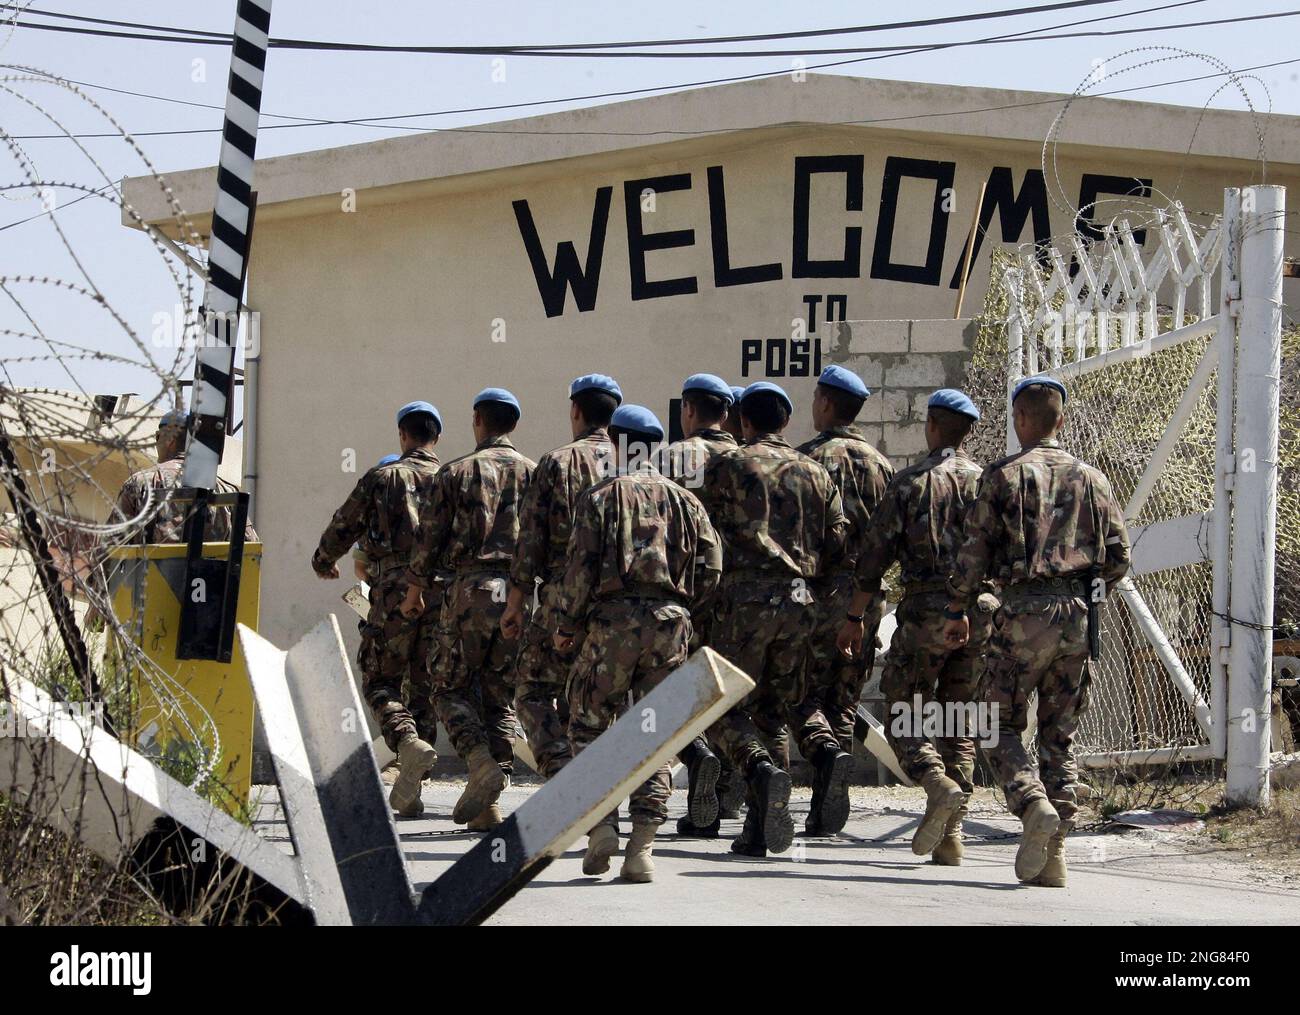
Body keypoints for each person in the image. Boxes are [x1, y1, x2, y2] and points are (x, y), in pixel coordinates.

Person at [942, 376, 1131, 887]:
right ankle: (1055, 858)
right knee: (1059, 737)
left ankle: (1031, 804)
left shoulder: (1003, 477)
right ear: (1061, 421)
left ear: (1020, 420)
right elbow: (1119, 556)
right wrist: (1083, 591)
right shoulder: (1093, 478)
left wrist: (959, 606)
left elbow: (973, 554)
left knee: (992, 720)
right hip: (1078, 614)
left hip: (1024, 610)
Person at [552, 405, 722, 882]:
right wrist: (686, 610)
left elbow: (579, 571)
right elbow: (713, 567)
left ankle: (602, 826)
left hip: (611, 623)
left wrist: (567, 624)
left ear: (616, 446)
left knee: (587, 724)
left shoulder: (599, 497)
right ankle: (642, 848)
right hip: (671, 624)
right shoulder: (687, 502)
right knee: (658, 733)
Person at [836, 389, 990, 863]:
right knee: (959, 717)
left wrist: (855, 616)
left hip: (927, 612)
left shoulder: (909, 485)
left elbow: (872, 562)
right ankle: (952, 836)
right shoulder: (990, 485)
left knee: (908, 711)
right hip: (981, 614)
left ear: (931, 425)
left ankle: (934, 781)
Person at [706, 382, 848, 856]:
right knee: (775, 710)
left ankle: (757, 769)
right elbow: (838, 546)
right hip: (801, 603)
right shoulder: (817, 472)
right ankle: (762, 822)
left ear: (743, 422)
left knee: (720, 706)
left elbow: (706, 537)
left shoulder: (727, 466)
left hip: (743, 601)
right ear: (786, 423)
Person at [402, 389, 535, 832]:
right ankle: (489, 805)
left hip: (468, 590)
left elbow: (429, 540)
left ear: (478, 420)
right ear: (513, 424)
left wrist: (415, 590)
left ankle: (478, 761)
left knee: (448, 688)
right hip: (517, 593)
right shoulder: (537, 473)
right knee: (500, 696)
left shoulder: (455, 472)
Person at [311, 401, 443, 818]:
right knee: (421, 685)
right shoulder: (453, 478)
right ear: (435, 437)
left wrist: (323, 559)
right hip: (442, 593)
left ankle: (406, 742)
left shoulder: (383, 477)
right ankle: (413, 791)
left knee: (379, 677)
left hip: (392, 590)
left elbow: (344, 522)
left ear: (403, 435)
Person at [500, 374, 618, 779]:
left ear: (575, 410)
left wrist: (516, 603)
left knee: (532, 690)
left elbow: (530, 539)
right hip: (615, 605)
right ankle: (601, 780)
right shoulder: (633, 464)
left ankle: (562, 772)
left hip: (560, 594)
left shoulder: (556, 462)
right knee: (599, 700)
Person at [793, 365, 894, 835]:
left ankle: (824, 759)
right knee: (845, 698)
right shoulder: (882, 465)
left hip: (816, 592)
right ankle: (831, 799)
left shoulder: (805, 460)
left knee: (803, 693)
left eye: (816, 398)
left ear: (827, 404)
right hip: (866, 597)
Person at [662, 373, 738, 837]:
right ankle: (728, 794)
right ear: (725, 414)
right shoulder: (748, 461)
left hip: (687, 598)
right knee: (730, 694)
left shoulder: (671, 459)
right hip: (741, 601)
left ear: (688, 411)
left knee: (683, 693)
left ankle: (696, 760)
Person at [113, 409, 258, 545]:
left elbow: (111, 545)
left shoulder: (142, 483)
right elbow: (250, 545)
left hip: (152, 571)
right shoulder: (226, 490)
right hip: (212, 571)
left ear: (167, 439)